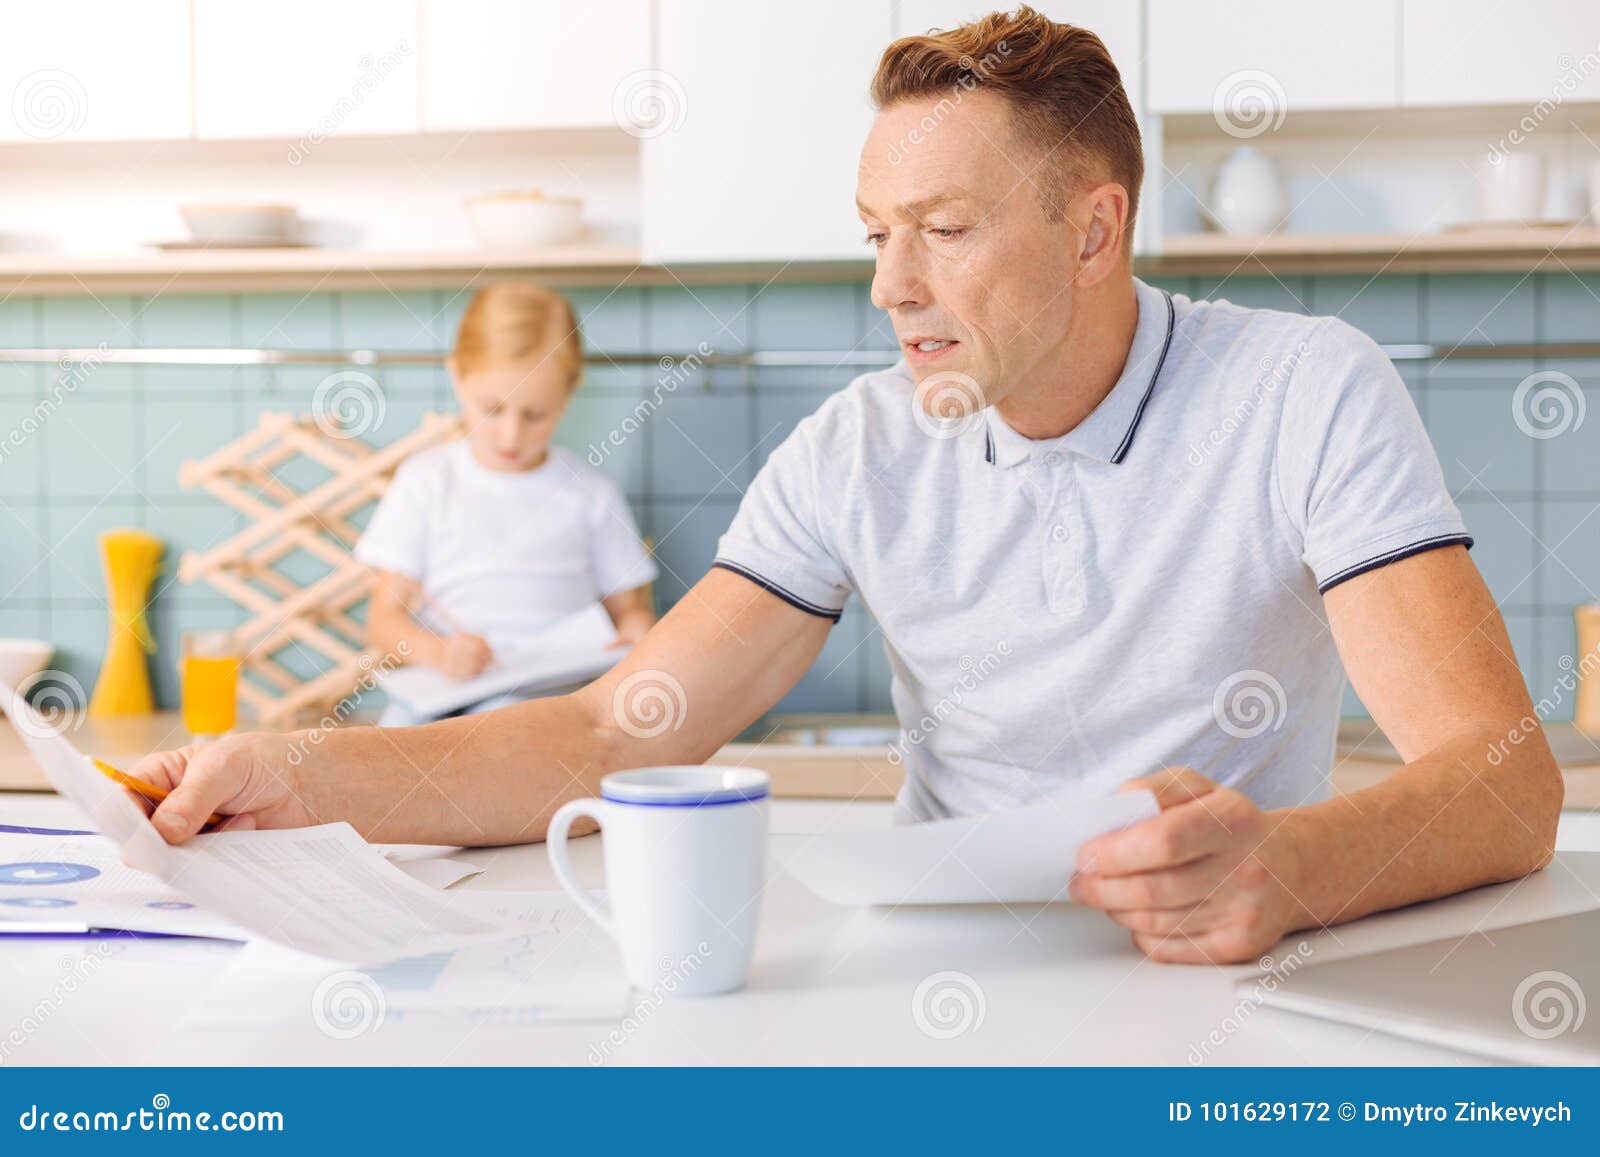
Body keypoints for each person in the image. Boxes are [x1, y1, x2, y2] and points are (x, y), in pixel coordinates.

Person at [129, 8, 1561, 965]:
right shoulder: (856, 449)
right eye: (878, 233)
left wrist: (1292, 867)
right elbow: (598, 739)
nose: (890, 286)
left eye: (943, 229)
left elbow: (1503, 781)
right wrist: (296, 769)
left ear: (1095, 229)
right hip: (944, 976)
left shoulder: (1306, 389)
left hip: (1219, 988)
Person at [356, 283, 657, 723]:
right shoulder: (427, 481)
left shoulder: (590, 493)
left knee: (506, 725)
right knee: (389, 747)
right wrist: (440, 654)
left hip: (554, 704)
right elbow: (384, 621)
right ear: (457, 376)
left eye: (535, 415)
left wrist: (637, 628)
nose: (511, 436)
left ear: (568, 394)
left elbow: (629, 610)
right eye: (492, 410)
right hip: (445, 693)